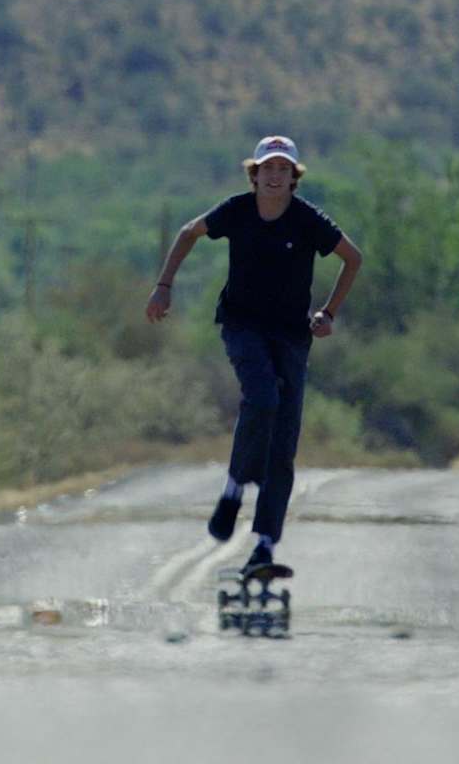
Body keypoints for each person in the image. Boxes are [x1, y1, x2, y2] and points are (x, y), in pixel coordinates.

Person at [145, 136, 362, 573]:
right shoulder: (237, 210)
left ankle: (264, 544)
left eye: (283, 169)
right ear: (255, 174)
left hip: (292, 335)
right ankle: (233, 490)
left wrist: (329, 312)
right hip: (242, 326)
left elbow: (352, 258)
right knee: (262, 398)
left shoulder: (308, 220)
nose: (275, 176)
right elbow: (189, 233)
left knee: (283, 443)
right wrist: (164, 286)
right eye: (268, 169)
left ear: (294, 177)